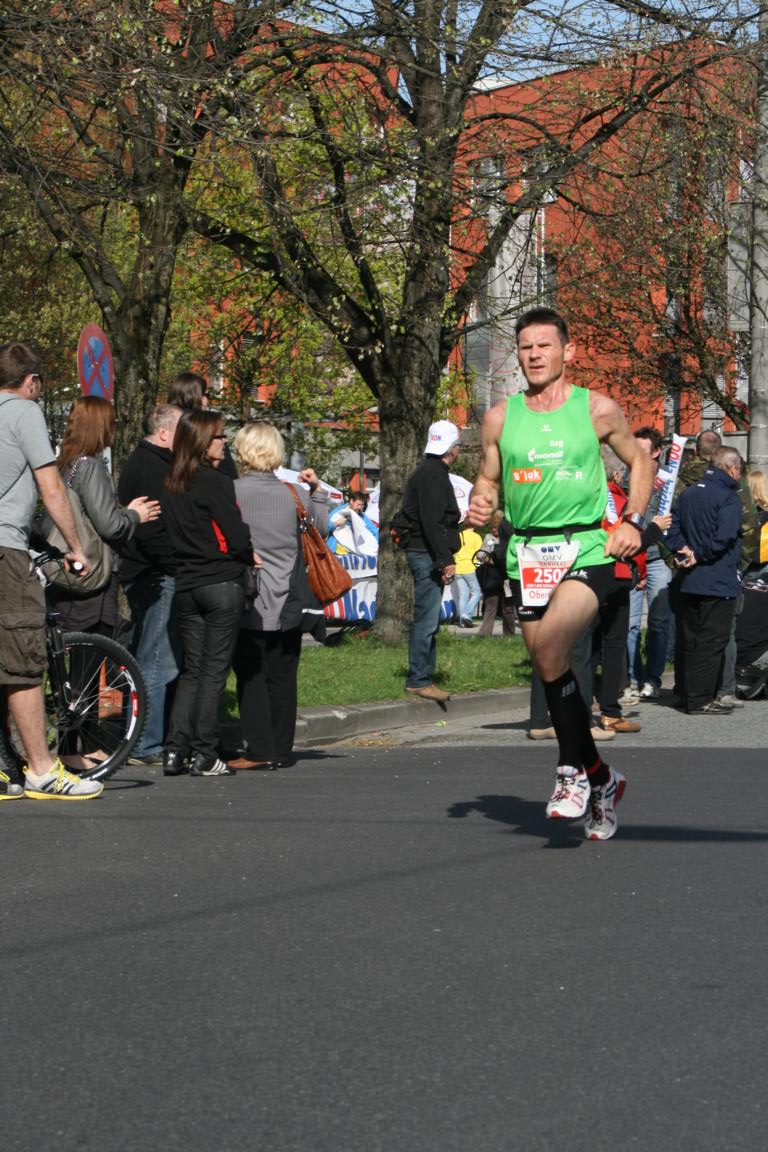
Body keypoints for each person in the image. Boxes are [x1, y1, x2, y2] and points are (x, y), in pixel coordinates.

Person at [468, 307, 653, 841]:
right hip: (526, 552)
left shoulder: (596, 409)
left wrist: (632, 521)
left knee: (550, 648)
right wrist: (482, 504)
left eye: (544, 345)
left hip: (588, 547)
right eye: (526, 347)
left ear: (568, 352)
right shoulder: (501, 418)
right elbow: (487, 480)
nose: (534, 355)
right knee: (549, 665)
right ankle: (602, 778)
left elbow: (641, 463)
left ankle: (569, 771)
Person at [0, 340, 101, 800]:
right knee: (23, 661)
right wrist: (76, 547)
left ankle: (5, 765)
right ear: (32, 381)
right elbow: (50, 486)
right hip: (4, 551)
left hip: (12, 540)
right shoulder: (23, 412)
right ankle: (42, 769)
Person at [49, 396, 161, 772]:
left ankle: (79, 746)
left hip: (70, 578)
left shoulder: (65, 465)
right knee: (85, 669)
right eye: (112, 423)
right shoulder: (90, 467)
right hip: (92, 583)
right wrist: (134, 514)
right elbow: (109, 524)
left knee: (76, 669)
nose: (115, 430)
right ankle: (73, 750)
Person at [228, 421, 329, 770]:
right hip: (289, 595)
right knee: (284, 674)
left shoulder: (231, 492)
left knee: (250, 672)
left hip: (248, 595)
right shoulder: (295, 494)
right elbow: (323, 529)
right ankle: (282, 749)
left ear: (242, 451)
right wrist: (316, 491)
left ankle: (259, 748)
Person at [161, 410, 254, 776]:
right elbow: (238, 535)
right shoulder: (215, 482)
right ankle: (204, 752)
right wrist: (247, 555)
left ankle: (174, 750)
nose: (225, 443)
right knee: (214, 672)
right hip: (220, 582)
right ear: (202, 443)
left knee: (192, 672)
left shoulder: (171, 485)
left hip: (186, 585)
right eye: (220, 437)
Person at [118, 404, 183, 766]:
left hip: (150, 570)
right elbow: (152, 529)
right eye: (181, 431)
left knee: (157, 657)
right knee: (156, 659)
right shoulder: (151, 467)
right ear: (163, 433)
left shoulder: (149, 462)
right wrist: (176, 564)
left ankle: (144, 737)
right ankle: (144, 742)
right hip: (155, 573)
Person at [665, 446, 743, 715]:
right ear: (731, 468)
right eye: (738, 470)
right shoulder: (729, 497)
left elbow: (670, 525)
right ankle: (701, 699)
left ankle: (686, 693)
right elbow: (725, 536)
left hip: (689, 578)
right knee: (712, 641)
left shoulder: (689, 492)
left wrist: (681, 548)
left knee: (690, 638)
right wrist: (699, 553)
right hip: (717, 577)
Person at [402, 419, 463, 702]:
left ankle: (423, 675)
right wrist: (445, 558)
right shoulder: (435, 475)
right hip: (426, 553)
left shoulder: (427, 472)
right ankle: (419, 679)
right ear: (451, 449)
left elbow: (434, 519)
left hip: (425, 551)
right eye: (458, 446)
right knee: (426, 620)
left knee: (428, 619)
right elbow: (431, 521)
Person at [624, 426, 671, 703]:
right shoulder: (624, 478)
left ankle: (653, 679)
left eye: (642, 451)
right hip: (631, 557)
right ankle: (632, 676)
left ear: (656, 453)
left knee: (658, 622)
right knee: (629, 624)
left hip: (657, 558)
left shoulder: (669, 478)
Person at [166, 371, 238, 479]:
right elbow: (228, 470)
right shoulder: (204, 426)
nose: (207, 399)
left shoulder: (164, 422)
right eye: (205, 394)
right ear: (195, 396)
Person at [476, 512, 516, 638]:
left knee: (508, 608)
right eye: (492, 527)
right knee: (490, 606)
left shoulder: (511, 538)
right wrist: (486, 557)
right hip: (492, 577)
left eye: (496, 527)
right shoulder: (488, 538)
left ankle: (509, 636)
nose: (494, 530)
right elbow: (480, 554)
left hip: (507, 577)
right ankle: (484, 635)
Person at [453, 525, 484, 627]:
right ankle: (467, 615)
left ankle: (463, 622)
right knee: (477, 592)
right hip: (469, 568)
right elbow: (480, 554)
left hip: (458, 568)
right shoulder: (476, 537)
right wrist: (477, 565)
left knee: (463, 595)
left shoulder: (457, 535)